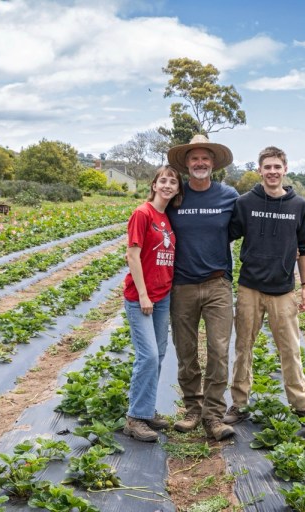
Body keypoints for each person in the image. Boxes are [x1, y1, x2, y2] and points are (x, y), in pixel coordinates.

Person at [224, 145, 305, 425]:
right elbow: (225, 235)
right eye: (267, 167)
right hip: (249, 287)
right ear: (259, 170)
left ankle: (301, 404)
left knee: (290, 348)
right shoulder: (245, 203)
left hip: (283, 290)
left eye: (277, 167)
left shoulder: (299, 206)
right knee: (244, 347)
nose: (272, 172)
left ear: (285, 170)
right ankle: (239, 403)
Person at [166, 134, 239, 441]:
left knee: (219, 351)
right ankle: (192, 409)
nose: (199, 163)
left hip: (217, 284)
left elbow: (246, 228)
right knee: (185, 351)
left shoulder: (229, 196)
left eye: (205, 159)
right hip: (181, 286)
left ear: (213, 164)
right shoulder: (175, 197)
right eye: (194, 159)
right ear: (186, 164)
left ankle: (213, 415)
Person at [123, 165, 184, 442]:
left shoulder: (165, 218)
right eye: (163, 180)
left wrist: (159, 295)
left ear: (177, 188)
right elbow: (132, 256)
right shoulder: (143, 213)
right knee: (147, 356)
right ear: (154, 184)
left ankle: (146, 411)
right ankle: (134, 418)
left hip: (162, 296)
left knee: (158, 356)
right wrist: (144, 294)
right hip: (141, 298)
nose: (168, 185)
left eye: (173, 181)